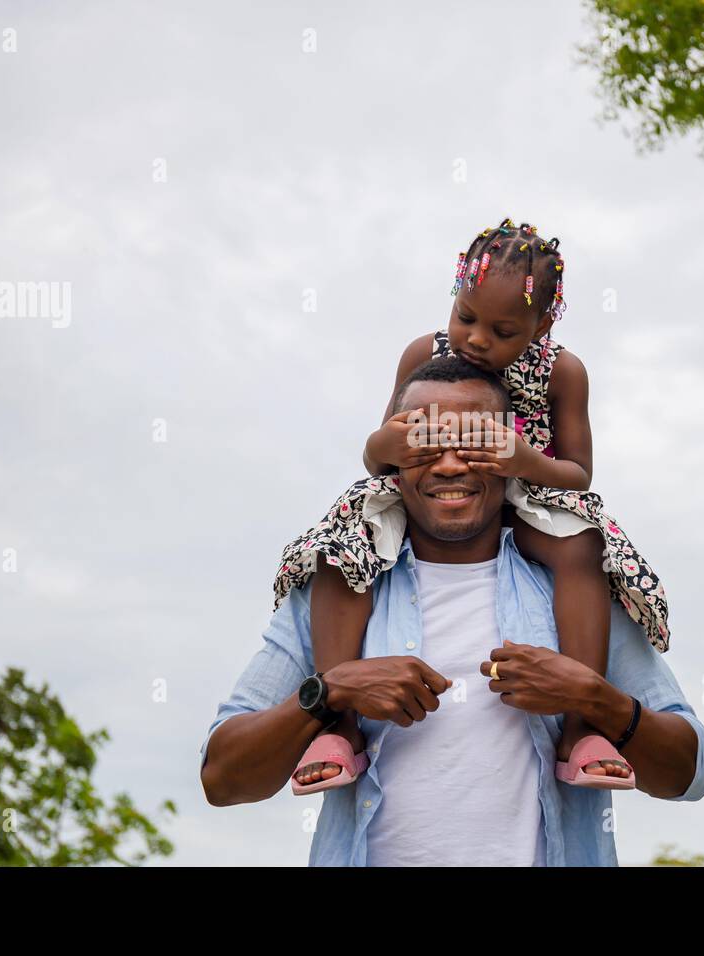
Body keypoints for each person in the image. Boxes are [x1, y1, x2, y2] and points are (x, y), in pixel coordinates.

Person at [200, 357, 704, 866]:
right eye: (425, 446)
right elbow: (222, 777)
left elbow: (690, 773)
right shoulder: (339, 587)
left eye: (475, 444)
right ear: (395, 462)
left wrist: (593, 697)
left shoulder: (574, 592)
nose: (449, 465)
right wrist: (331, 691)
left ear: (510, 456)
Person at [276, 218, 672, 794]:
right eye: (466, 316)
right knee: (344, 545)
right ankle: (336, 728)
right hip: (435, 494)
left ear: (542, 325)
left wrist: (525, 460)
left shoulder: (562, 371)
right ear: (454, 296)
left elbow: (578, 475)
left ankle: (583, 731)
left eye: (503, 329)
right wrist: (384, 445)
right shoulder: (422, 352)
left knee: (584, 547)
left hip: (526, 495)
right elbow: (379, 455)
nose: (478, 339)